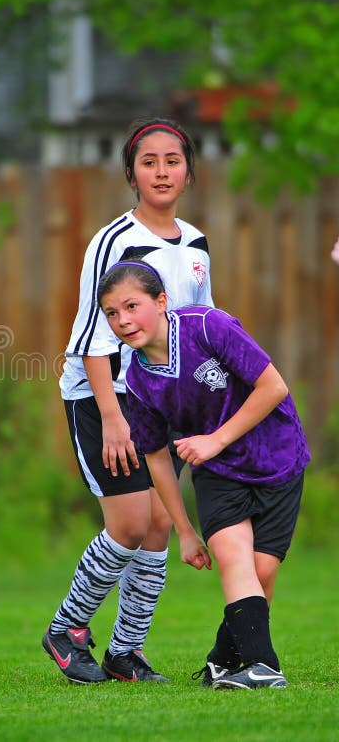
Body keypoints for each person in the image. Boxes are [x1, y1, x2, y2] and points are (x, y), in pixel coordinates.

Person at [42, 118, 213, 683]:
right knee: (132, 522)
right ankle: (66, 629)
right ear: (132, 174)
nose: (161, 171)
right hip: (102, 397)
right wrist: (112, 420)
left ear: (188, 170)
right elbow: (92, 336)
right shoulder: (114, 239)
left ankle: (125, 653)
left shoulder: (194, 244)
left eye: (172, 160)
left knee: (162, 522)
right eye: (148, 162)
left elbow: (198, 328)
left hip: (158, 402)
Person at [96, 261, 309, 689]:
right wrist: (185, 531)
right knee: (235, 560)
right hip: (218, 474)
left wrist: (215, 439)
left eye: (132, 306)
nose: (123, 320)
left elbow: (274, 388)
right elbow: (156, 456)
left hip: (277, 458)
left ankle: (222, 661)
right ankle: (263, 668)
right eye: (112, 314)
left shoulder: (209, 327)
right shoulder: (136, 381)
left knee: (261, 573)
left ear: (161, 302)